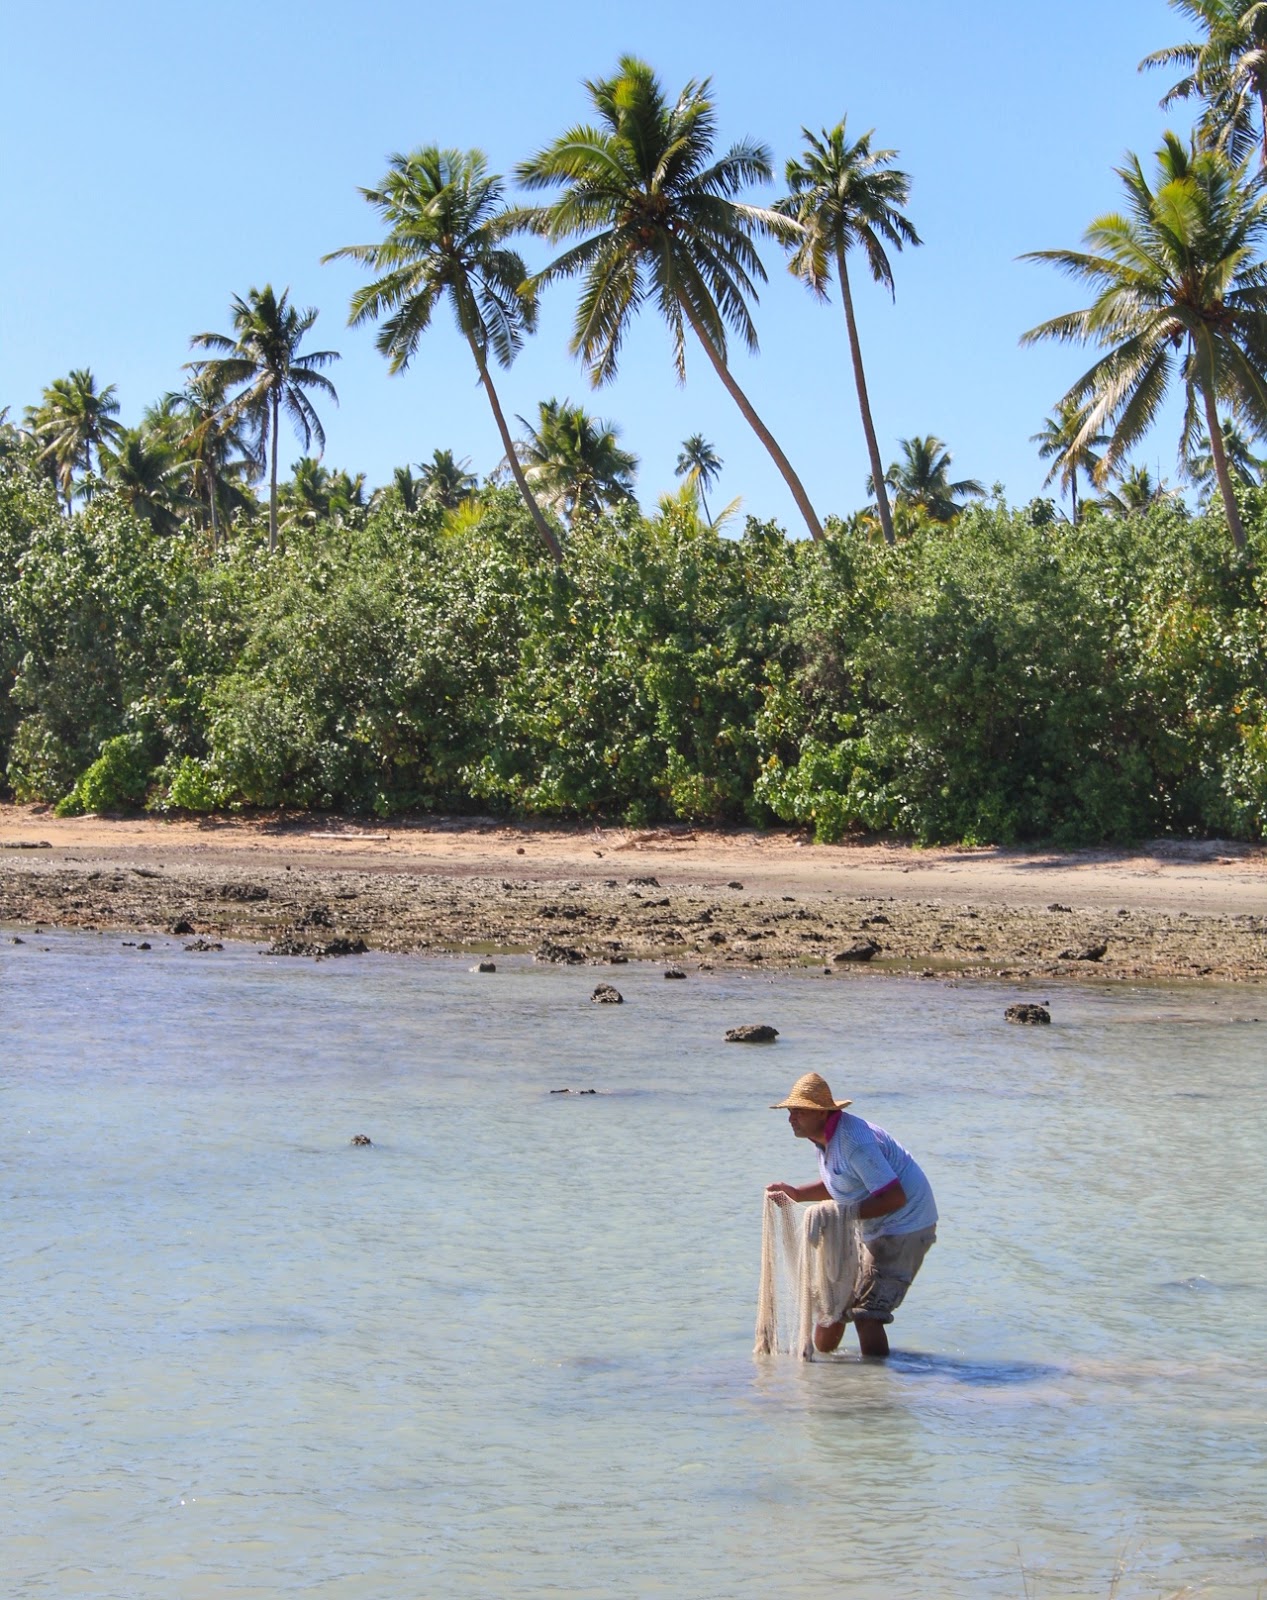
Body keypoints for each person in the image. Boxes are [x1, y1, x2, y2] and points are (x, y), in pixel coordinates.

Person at [766, 1071, 937, 1359]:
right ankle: (827, 1381)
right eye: (790, 1111)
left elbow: (894, 1198)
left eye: (799, 1111)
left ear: (822, 1113)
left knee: (867, 1314)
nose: (791, 1118)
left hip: (904, 1227)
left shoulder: (853, 1143)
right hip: (872, 1224)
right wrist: (797, 1193)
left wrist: (842, 1215)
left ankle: (873, 1393)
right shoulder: (823, 1140)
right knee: (832, 1304)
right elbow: (845, 1184)